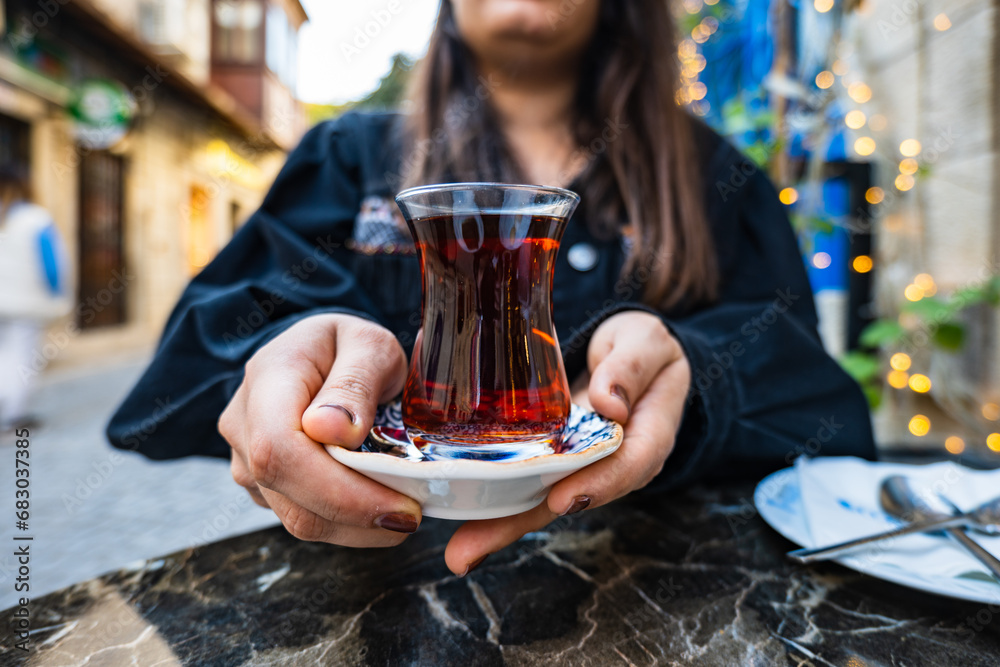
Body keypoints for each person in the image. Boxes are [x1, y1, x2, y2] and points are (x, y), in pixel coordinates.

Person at [108, 0, 875, 576]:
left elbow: (821, 408)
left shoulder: (716, 177)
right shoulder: (348, 156)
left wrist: (690, 378)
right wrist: (295, 359)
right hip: (364, 588)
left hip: (655, 581)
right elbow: (175, 384)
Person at [0, 166, 71, 431]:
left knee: (5, 354)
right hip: (26, 304)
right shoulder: (36, 219)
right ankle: (13, 415)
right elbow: (52, 266)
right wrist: (57, 295)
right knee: (22, 358)